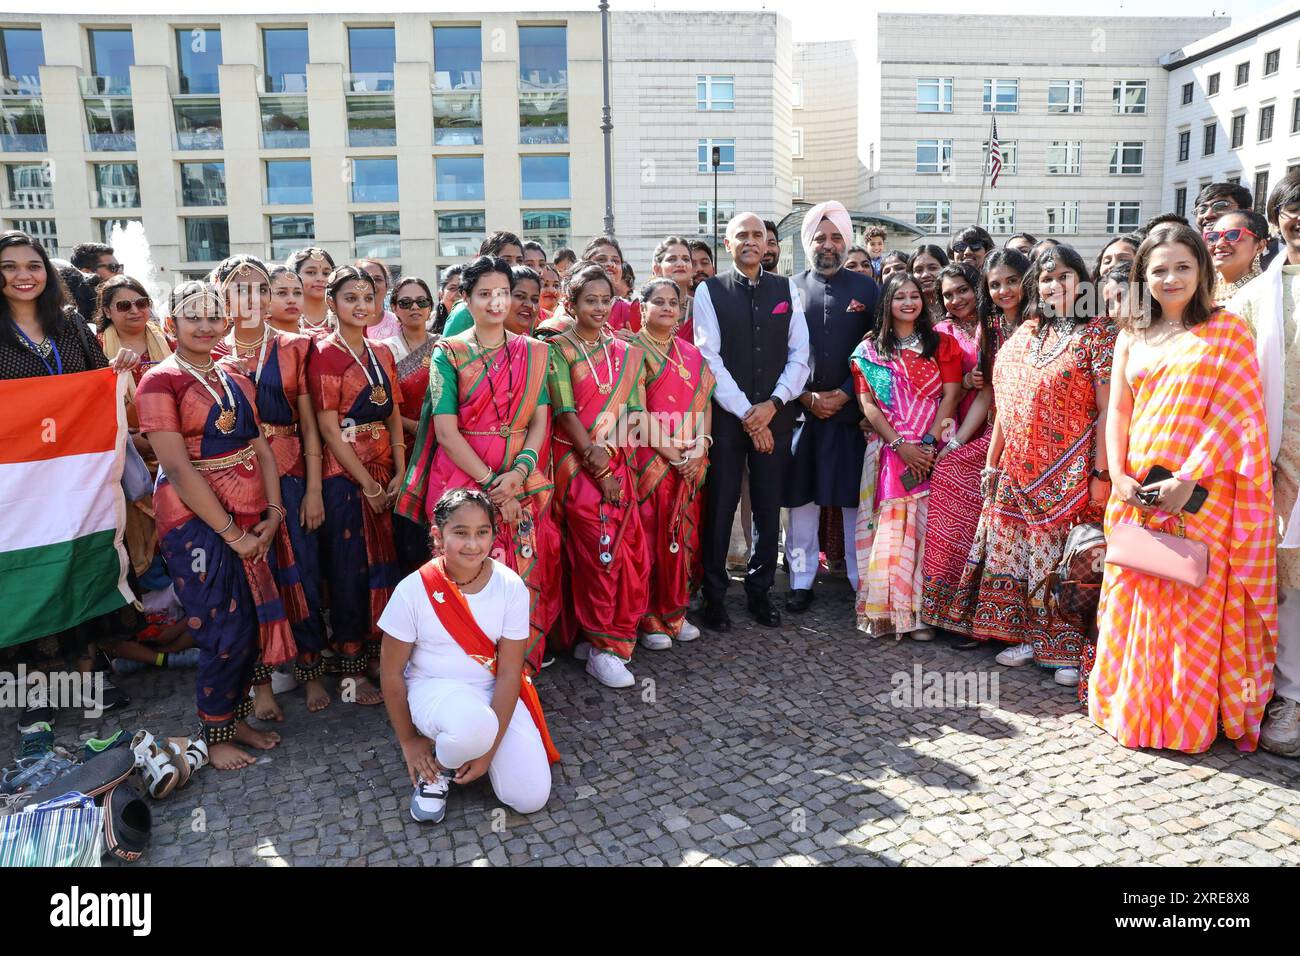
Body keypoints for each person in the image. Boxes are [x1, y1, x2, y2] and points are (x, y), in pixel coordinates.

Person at [1091, 222, 1276, 753]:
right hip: (1137, 493)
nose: (1171, 278)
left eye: (1182, 267)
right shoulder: (1132, 333)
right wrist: (1119, 474)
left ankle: (1185, 720)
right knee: (1137, 593)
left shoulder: (1227, 331)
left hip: (1203, 493)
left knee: (1191, 600)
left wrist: (1188, 476)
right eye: (1159, 270)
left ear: (1202, 269)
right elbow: (1120, 410)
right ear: (1143, 277)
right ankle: (1131, 710)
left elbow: (1239, 415)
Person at [137, 280, 301, 769]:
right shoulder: (159, 382)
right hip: (194, 520)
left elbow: (261, 448)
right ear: (172, 324)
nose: (205, 325)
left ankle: (237, 719)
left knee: (250, 623)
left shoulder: (234, 374)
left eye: (214, 316)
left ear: (226, 321)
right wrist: (232, 534)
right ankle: (213, 734)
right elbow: (179, 468)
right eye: (193, 317)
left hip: (253, 513)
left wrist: (273, 513)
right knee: (219, 625)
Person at [951, 246, 1114, 695]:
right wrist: (991, 463)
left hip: (1070, 472)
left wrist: (1101, 473)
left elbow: (1106, 410)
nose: (1053, 286)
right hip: (1016, 468)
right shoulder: (1025, 332)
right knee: (1019, 558)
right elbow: (1004, 402)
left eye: (1064, 276)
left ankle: (1065, 647)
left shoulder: (1098, 334)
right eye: (1045, 279)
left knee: (1067, 562)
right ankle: (1027, 635)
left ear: (1082, 281)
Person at [0, 230, 140, 722]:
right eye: (11, 267)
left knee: (77, 561)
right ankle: (31, 694)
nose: (23, 276)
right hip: (17, 483)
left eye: (33, 266)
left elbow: (97, 382)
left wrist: (119, 366)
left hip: (72, 474)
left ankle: (86, 678)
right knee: (23, 573)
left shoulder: (70, 324)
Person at [398, 257, 559, 674]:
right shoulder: (448, 353)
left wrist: (518, 475)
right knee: (467, 572)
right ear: (466, 299)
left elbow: (541, 420)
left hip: (521, 476)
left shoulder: (535, 352)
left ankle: (515, 668)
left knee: (520, 572)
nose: (495, 302)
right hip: (463, 480)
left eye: (502, 293)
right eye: (484, 293)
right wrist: (492, 485)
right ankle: (464, 666)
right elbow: (446, 431)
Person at [379, 488, 557, 824]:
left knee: (530, 797)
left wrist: (489, 753)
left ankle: (468, 749)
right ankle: (438, 768)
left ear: (493, 534)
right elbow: (390, 673)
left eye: (482, 533)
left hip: (491, 691)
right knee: (472, 726)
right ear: (438, 535)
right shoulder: (413, 590)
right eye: (460, 533)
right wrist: (409, 741)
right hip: (434, 689)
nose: (472, 544)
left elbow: (509, 673)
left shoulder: (510, 586)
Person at [211, 255, 329, 716]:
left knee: (302, 572)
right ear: (222, 294)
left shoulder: (296, 345)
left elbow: (310, 423)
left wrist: (315, 488)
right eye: (239, 288)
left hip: (292, 467)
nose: (253, 298)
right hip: (232, 477)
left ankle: (312, 672)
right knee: (250, 580)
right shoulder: (211, 351)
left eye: (260, 288)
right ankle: (260, 687)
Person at [694, 212, 810, 629]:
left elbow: (801, 356)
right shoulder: (709, 291)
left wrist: (773, 404)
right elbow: (709, 357)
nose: (749, 241)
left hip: (776, 416)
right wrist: (748, 412)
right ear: (728, 244)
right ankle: (714, 595)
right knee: (721, 506)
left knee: (766, 507)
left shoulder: (787, 289)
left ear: (768, 244)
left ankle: (761, 592)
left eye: (756, 235)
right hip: (729, 421)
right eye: (740, 235)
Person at [547, 263, 650, 686]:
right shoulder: (558, 349)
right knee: (599, 552)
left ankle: (599, 637)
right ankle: (603, 648)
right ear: (570, 304)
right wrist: (599, 465)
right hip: (577, 463)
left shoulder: (622, 350)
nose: (600, 308)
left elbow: (633, 411)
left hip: (618, 461)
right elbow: (565, 412)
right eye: (590, 300)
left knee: (625, 551)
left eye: (606, 300)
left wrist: (619, 462)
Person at [1228, 170, 1300, 756]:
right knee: (1285, 582)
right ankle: (1289, 695)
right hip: (1276, 462)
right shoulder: (1253, 298)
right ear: (1275, 218)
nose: (1299, 218)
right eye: (1291, 207)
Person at [310, 265, 405, 703]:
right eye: (351, 297)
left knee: (385, 566)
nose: (361, 305)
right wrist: (367, 483)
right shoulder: (324, 353)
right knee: (350, 568)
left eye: (368, 297)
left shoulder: (382, 352)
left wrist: (400, 469)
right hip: (345, 475)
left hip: (386, 469)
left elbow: (392, 417)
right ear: (332, 302)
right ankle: (349, 667)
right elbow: (329, 428)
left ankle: (376, 653)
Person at [851, 273, 962, 639]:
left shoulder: (940, 344)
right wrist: (901, 445)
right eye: (900, 297)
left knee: (928, 531)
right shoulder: (869, 353)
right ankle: (895, 612)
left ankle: (924, 614)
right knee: (893, 527)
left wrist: (928, 443)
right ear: (887, 303)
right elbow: (868, 404)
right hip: (888, 448)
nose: (909, 302)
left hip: (934, 446)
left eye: (915, 296)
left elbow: (951, 395)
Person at [783, 201, 877, 611]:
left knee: (855, 503)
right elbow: (777, 351)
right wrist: (804, 395)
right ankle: (801, 581)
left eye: (836, 237)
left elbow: (877, 351)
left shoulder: (868, 289)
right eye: (820, 237)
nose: (828, 244)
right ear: (808, 242)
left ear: (847, 242)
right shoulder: (787, 288)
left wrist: (844, 391)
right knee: (801, 503)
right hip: (802, 412)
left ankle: (863, 583)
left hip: (852, 413)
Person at [629, 277, 714, 648]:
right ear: (642, 307)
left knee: (682, 534)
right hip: (650, 459)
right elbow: (633, 411)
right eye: (658, 301)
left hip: (690, 460)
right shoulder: (630, 350)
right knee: (648, 537)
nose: (667, 307)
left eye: (673, 303)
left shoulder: (692, 354)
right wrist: (674, 453)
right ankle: (648, 617)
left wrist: (700, 448)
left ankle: (675, 611)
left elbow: (706, 402)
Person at [919, 263, 1002, 636]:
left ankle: (979, 612)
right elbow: (933, 388)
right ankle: (943, 606)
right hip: (958, 422)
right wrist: (966, 381)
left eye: (963, 290)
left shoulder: (997, 324)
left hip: (999, 423)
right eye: (948, 294)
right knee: (952, 509)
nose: (957, 299)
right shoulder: (939, 332)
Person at [94, 275, 172, 579]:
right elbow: (92, 406)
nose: (134, 310)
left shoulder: (169, 341)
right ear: (108, 311)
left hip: (172, 455)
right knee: (137, 539)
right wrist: (129, 439)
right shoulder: (95, 347)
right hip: (123, 460)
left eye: (142, 303)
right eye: (124, 305)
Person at [441, 232, 528, 337]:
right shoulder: (464, 312)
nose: (515, 266)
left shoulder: (524, 306)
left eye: (519, 260)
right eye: (506, 260)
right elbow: (448, 351)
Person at [1207, 207, 1269, 304]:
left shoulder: (1267, 292)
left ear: (1260, 246)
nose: (1219, 243)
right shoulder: (1199, 287)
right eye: (1213, 236)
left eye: (1232, 235)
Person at [651, 236, 696, 340]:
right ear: (657, 269)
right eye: (672, 259)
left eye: (686, 259)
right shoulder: (645, 310)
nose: (681, 264)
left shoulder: (701, 308)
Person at [287, 247, 335, 336]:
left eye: (326, 273)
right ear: (295, 276)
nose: (320, 279)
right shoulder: (284, 316)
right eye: (311, 272)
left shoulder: (344, 316)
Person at [357, 258, 401, 341]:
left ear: (387, 286)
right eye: (365, 278)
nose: (372, 284)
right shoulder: (344, 326)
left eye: (377, 279)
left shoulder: (400, 325)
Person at [910, 244, 949, 319]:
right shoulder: (908, 309)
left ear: (945, 269)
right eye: (918, 270)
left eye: (933, 268)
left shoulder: (956, 305)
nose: (925, 275)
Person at [266, 266, 305, 334]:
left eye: (297, 293)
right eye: (282, 293)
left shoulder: (316, 341)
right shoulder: (251, 342)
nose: (292, 300)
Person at [508, 265, 541, 335]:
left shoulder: (537, 345)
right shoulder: (480, 344)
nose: (529, 305)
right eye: (520, 296)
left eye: (535, 299)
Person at [433, 265, 463, 335]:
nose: (460, 294)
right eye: (453, 288)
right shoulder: (427, 330)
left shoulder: (483, 326)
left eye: (463, 288)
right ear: (441, 295)